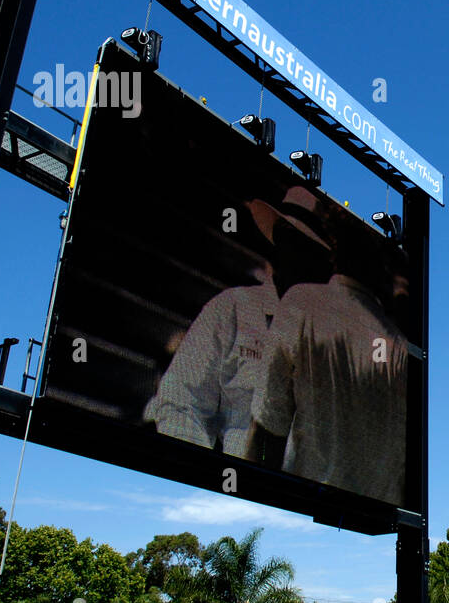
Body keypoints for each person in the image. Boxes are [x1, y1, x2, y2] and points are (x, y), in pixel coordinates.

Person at [141, 186, 331, 459]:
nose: (301, 260)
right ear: (278, 243)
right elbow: (181, 402)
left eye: (312, 252)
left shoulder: (332, 336)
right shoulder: (233, 309)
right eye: (292, 242)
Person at [248, 198, 409, 505]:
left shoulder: (301, 304)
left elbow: (265, 431)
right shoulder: (401, 349)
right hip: (371, 525)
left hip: (304, 510)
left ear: (334, 247)